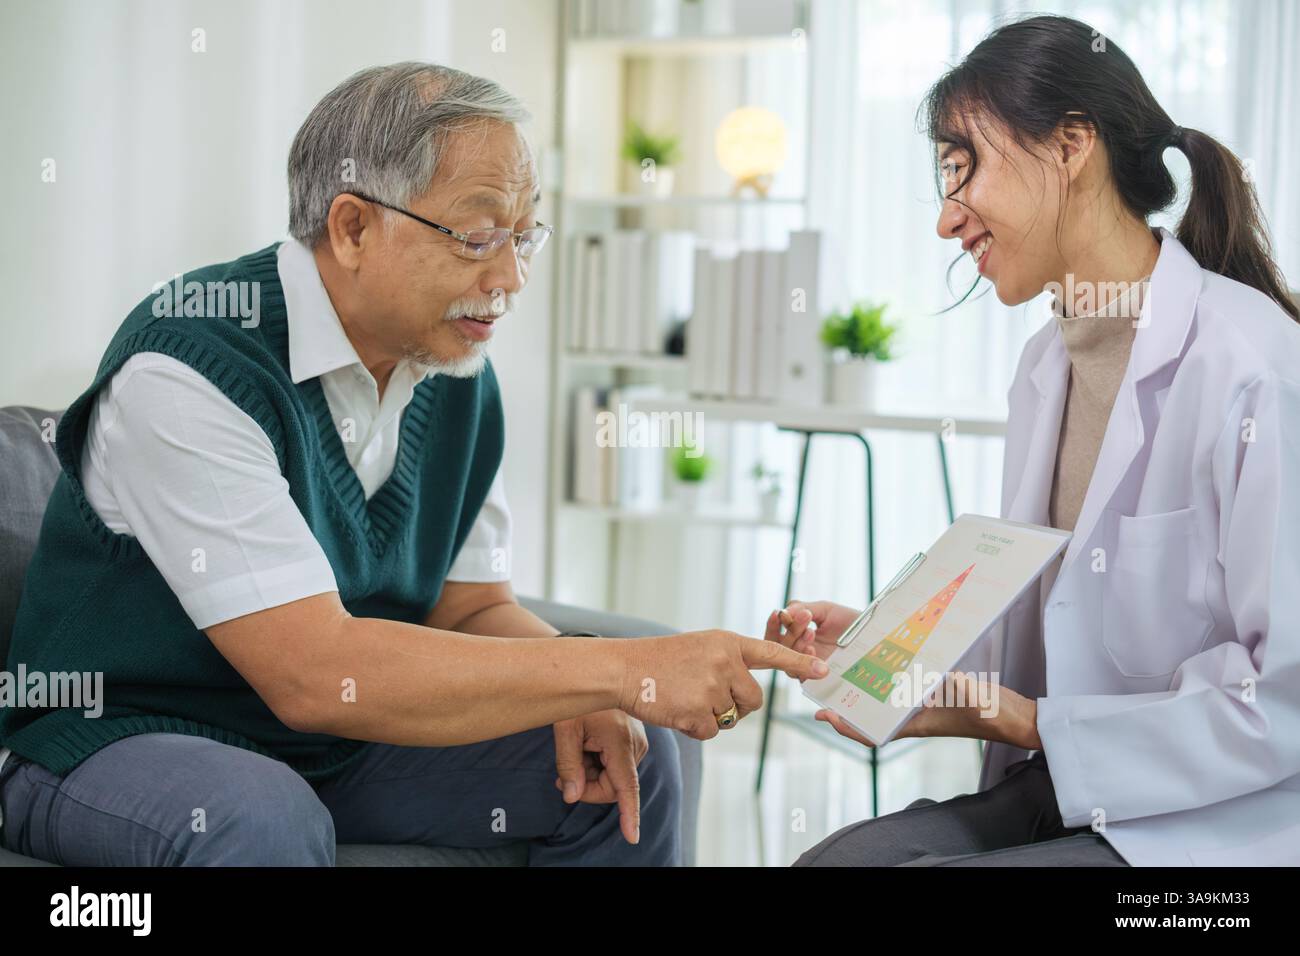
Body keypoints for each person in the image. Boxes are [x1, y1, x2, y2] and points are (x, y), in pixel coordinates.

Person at [0, 62, 825, 867]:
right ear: (354, 227)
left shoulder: (453, 370)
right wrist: (619, 668)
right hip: (115, 740)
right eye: (477, 236)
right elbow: (314, 674)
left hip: (334, 744)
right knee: (257, 813)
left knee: (631, 760)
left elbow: (471, 610)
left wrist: (594, 695)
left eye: (526, 232)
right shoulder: (187, 369)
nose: (510, 277)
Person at [772, 15, 1300, 867]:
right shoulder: (1046, 363)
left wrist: (1025, 721)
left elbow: (1286, 705)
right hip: (1071, 784)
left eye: (962, 169)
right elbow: (1061, 624)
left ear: (1070, 147)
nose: (947, 221)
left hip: (1223, 823)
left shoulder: (1251, 366)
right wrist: (887, 647)